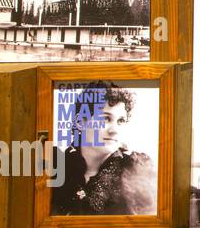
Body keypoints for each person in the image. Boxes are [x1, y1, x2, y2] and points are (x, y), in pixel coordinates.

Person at [51, 81, 157, 216]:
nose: (114, 131)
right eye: (106, 119)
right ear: (80, 122)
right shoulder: (55, 166)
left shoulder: (137, 168)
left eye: (121, 121)